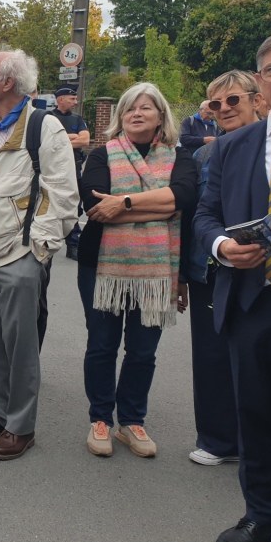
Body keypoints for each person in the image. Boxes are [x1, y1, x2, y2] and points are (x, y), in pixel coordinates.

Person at [194, 29, 271, 542]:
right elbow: (206, 216)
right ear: (259, 80)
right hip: (252, 302)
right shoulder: (231, 147)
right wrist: (222, 249)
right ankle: (259, 516)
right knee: (254, 416)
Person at [0, 50, 77, 460]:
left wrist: (37, 252)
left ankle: (21, 426)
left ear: (7, 82)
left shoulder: (45, 128)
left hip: (17, 255)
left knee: (20, 345)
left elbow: (61, 196)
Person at [78, 82, 195, 459]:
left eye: (146, 107)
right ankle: (100, 418)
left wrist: (124, 202)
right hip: (102, 268)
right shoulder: (101, 156)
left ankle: (131, 421)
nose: (137, 113)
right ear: (120, 117)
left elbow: (185, 200)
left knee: (143, 351)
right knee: (101, 346)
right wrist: (162, 207)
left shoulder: (181, 158)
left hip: (158, 273)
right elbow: (95, 205)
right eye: (130, 108)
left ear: (161, 115)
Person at [183, 71, 262, 466]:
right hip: (209, 268)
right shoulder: (202, 155)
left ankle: (260, 446)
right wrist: (184, 272)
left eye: (232, 101)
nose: (223, 110)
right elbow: (196, 215)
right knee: (211, 357)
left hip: (263, 272)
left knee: (258, 362)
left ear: (256, 100)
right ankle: (217, 439)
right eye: (215, 104)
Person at [50, 86, 89, 260]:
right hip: (52, 168)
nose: (76, 102)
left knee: (74, 206)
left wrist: (62, 140)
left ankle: (72, 245)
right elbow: (48, 141)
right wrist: (72, 137)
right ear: (60, 100)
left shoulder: (77, 119)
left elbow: (85, 140)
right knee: (49, 205)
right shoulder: (48, 118)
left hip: (73, 168)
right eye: (72, 99)